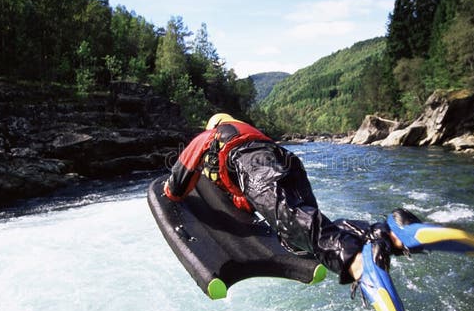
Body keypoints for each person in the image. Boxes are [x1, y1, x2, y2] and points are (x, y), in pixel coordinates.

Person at [163, 112, 407, 288]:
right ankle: (385, 233)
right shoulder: (252, 134)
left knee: (294, 222)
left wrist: (170, 191)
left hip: (252, 160)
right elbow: (248, 200)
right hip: (285, 161)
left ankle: (355, 260)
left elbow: (179, 180)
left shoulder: (214, 134)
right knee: (299, 237)